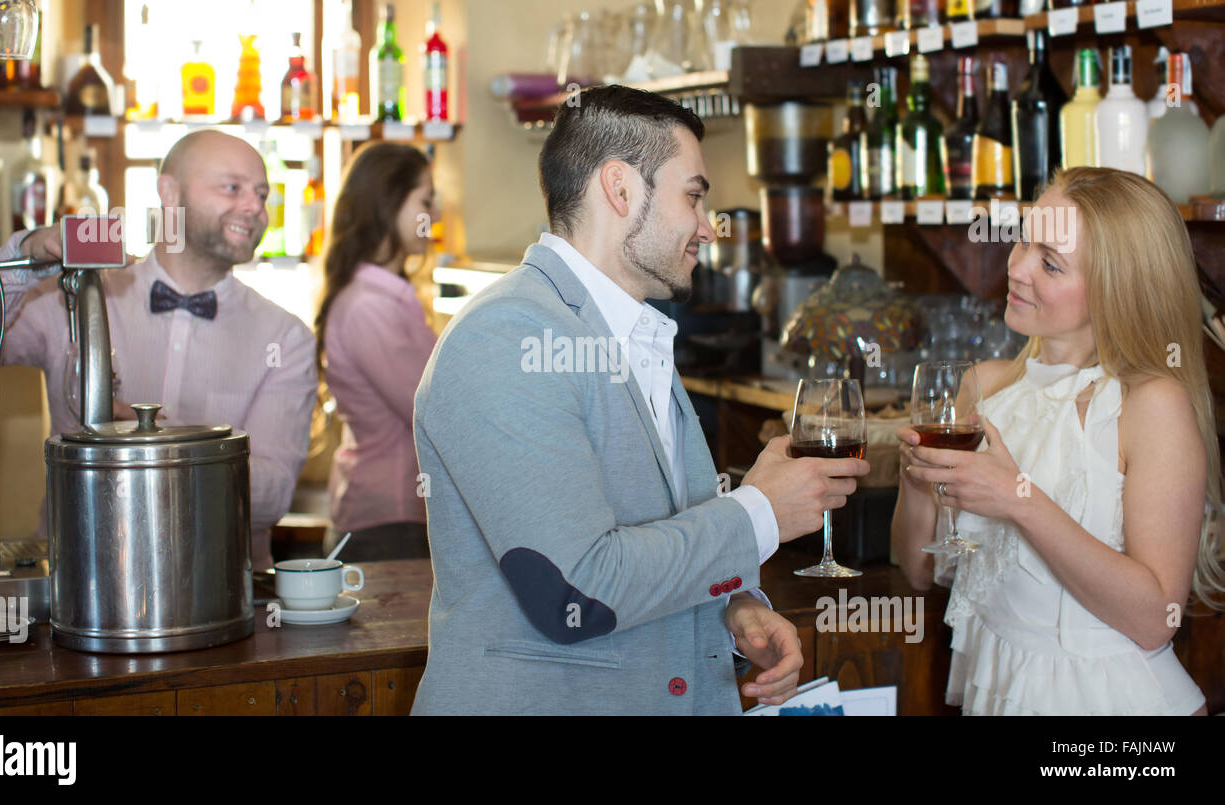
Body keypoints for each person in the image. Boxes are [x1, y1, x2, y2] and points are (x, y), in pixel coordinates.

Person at [409, 86, 870, 715]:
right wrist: (761, 514)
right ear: (621, 189)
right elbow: (578, 590)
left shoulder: (633, 329)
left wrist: (735, 608)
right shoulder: (511, 337)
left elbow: (662, 538)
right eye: (694, 196)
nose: (709, 228)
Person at [892, 167, 1222, 715]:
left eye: (1050, 262)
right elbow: (920, 569)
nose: (1016, 268)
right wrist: (918, 477)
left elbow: (1153, 619)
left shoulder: (1151, 405)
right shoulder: (984, 386)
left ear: (1116, 290)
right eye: (1023, 238)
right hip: (1001, 693)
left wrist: (1017, 499)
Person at [0, 130, 318, 571]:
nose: (255, 208)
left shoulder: (285, 338)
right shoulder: (73, 293)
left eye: (261, 194)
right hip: (77, 576)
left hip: (219, 589)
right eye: (233, 188)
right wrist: (27, 254)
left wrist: (148, 443)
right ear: (169, 192)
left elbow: (271, 495)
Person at [315, 143, 438, 562]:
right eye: (425, 200)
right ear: (389, 202)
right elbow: (431, 410)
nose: (434, 216)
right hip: (390, 518)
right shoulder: (372, 307)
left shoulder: (383, 298)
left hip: (391, 514)